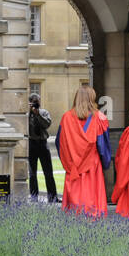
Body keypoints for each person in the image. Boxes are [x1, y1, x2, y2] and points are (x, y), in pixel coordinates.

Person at [55, 85, 111, 216]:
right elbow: (103, 147)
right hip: (92, 166)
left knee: (73, 208)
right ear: (92, 98)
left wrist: (69, 161)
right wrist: (106, 163)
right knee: (91, 199)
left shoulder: (66, 118)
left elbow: (59, 143)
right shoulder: (100, 118)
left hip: (73, 166)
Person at [27, 93, 59, 202]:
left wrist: (37, 114)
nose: (35, 103)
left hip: (43, 144)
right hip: (31, 143)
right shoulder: (26, 115)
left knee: (48, 171)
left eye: (37, 101)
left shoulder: (44, 112)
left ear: (40, 101)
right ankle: (34, 196)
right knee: (32, 173)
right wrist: (28, 112)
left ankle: (53, 197)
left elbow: (46, 124)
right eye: (33, 101)